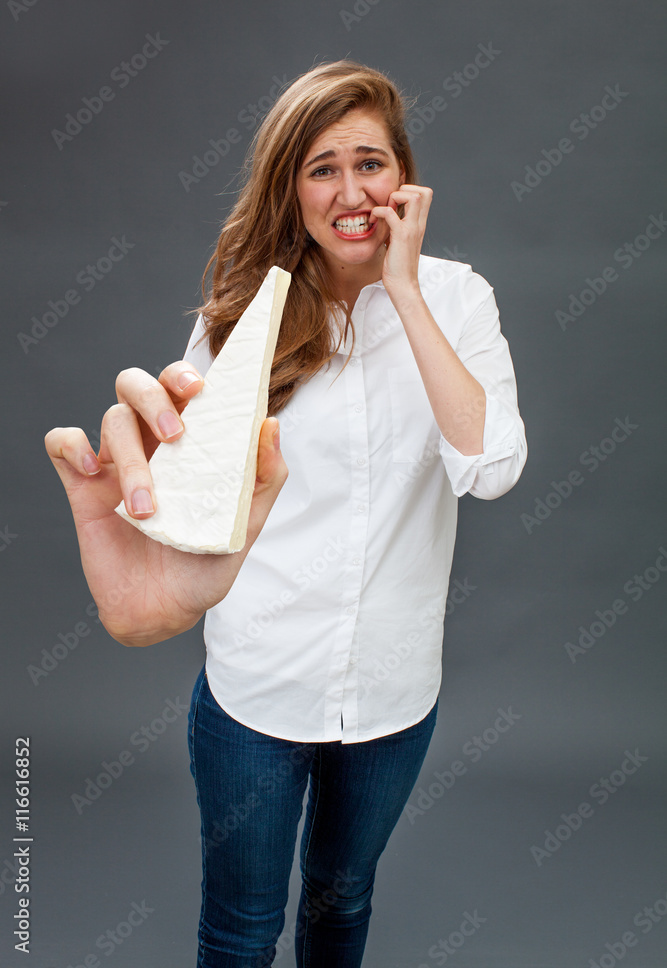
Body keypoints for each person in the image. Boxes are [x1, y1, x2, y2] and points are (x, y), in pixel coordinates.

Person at [45, 60, 527, 967]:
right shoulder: (240, 313)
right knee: (239, 930)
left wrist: (406, 291)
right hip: (256, 689)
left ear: (403, 177)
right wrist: (148, 493)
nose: (351, 191)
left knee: (343, 908)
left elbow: (490, 468)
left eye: (370, 162)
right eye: (321, 168)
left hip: (391, 693)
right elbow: (191, 502)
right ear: (291, 189)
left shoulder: (459, 300)